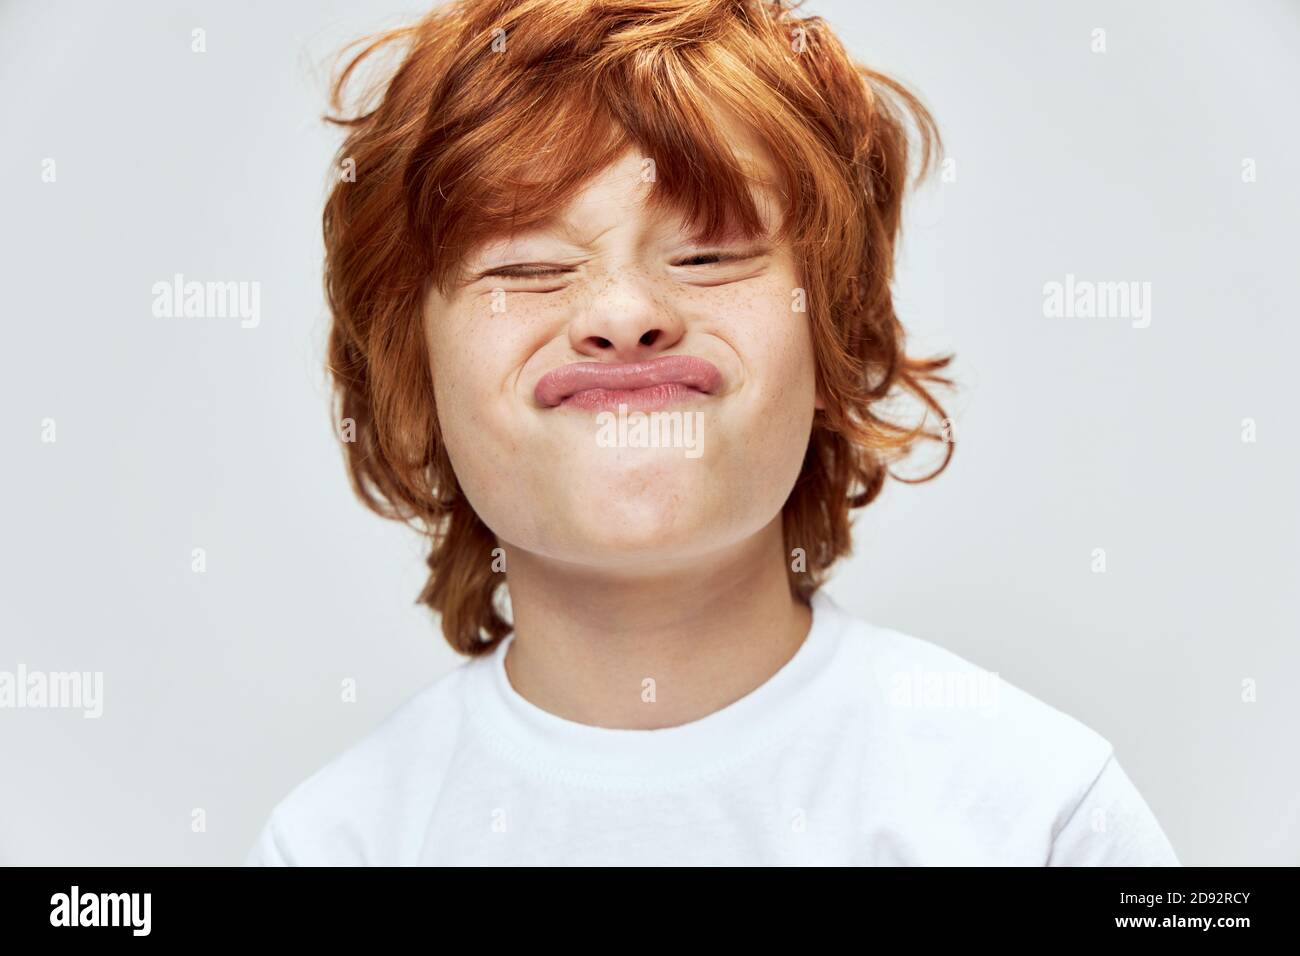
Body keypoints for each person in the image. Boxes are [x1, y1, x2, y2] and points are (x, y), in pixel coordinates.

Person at [244, 0, 1179, 866]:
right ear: (415, 376)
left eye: (709, 253)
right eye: (527, 264)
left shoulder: (1040, 813)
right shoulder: (333, 848)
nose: (622, 312)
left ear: (835, 338)